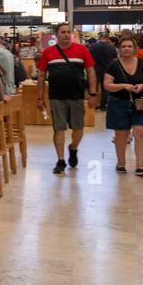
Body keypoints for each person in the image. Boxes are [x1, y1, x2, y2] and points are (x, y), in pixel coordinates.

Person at [36, 22, 98, 174]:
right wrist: (40, 97)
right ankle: (61, 160)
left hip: (77, 95)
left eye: (68, 32)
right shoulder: (48, 53)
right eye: (62, 32)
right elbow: (41, 75)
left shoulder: (82, 50)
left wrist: (93, 93)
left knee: (78, 128)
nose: (66, 34)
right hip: (56, 96)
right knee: (59, 128)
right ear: (56, 35)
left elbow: (91, 72)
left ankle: (73, 147)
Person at [104, 33, 143, 177]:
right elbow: (107, 85)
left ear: (135, 48)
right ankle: (121, 163)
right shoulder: (113, 66)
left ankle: (141, 166)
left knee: (141, 131)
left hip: (140, 101)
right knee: (121, 134)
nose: (126, 49)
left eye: (129, 46)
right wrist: (123, 86)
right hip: (118, 102)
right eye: (123, 46)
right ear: (119, 48)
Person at [87, 32, 118, 110]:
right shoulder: (112, 47)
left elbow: (88, 58)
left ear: (99, 37)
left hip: (94, 70)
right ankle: (103, 106)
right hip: (108, 71)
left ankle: (94, 105)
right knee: (105, 89)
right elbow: (115, 60)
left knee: (94, 88)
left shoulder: (92, 46)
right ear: (107, 38)